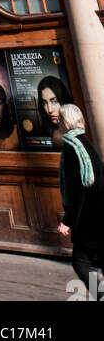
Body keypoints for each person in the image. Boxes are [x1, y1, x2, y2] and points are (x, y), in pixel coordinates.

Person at [57, 104, 104, 300]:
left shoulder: (71, 150)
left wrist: (67, 221)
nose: (58, 122)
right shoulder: (85, 143)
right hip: (99, 213)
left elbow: (78, 192)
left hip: (89, 218)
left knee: (80, 263)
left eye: (60, 119)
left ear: (64, 122)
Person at [37, 76, 72, 141]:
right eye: (45, 103)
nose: (50, 110)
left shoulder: (76, 132)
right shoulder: (47, 132)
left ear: (64, 100)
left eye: (54, 101)